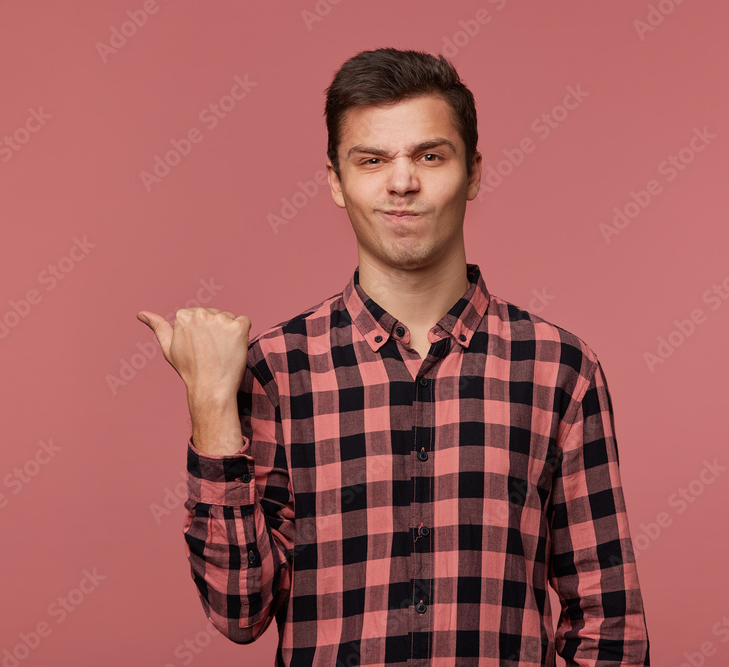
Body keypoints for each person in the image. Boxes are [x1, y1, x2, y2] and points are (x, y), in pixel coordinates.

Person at [136, 47, 649, 666]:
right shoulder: (275, 368)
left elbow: (609, 625)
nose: (402, 181)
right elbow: (239, 612)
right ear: (335, 181)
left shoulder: (559, 370)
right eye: (372, 160)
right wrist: (211, 406)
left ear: (475, 172)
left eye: (429, 156)